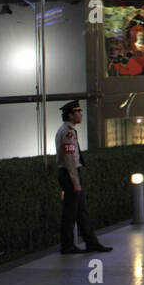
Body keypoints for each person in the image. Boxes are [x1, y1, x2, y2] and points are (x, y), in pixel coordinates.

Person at [55, 100, 112, 254]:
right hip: (69, 174)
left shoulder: (68, 130)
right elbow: (69, 159)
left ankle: (91, 242)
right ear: (70, 115)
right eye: (78, 112)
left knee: (80, 211)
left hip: (69, 174)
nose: (81, 114)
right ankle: (68, 245)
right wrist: (75, 181)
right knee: (71, 212)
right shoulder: (68, 132)